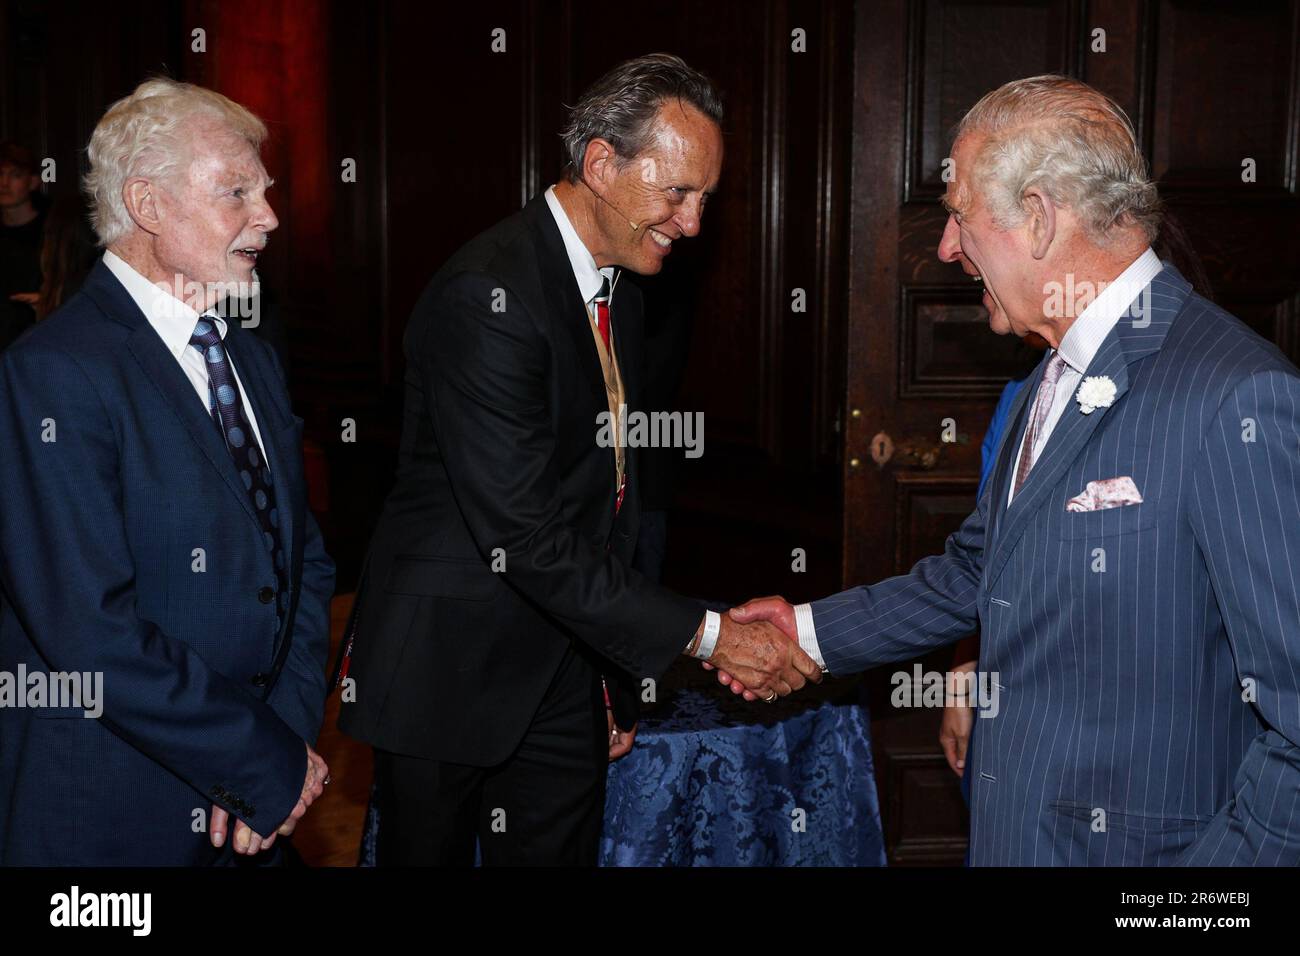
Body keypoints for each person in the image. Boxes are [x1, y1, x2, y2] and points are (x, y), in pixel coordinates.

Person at [722, 74, 1300, 865]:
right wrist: (810, 633)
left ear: (1037, 217)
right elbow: (977, 570)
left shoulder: (1236, 393)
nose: (947, 247)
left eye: (959, 214)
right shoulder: (1048, 376)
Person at [337, 53, 820, 866]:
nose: (694, 223)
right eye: (677, 193)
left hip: (562, 662)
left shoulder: (617, 282)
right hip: (448, 669)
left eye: (705, 198)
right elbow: (523, 533)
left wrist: (610, 672)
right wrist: (707, 637)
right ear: (601, 164)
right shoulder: (488, 296)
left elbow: (608, 501)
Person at [0, 78, 334, 865]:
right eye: (237, 192)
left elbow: (304, 565)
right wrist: (254, 757)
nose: (270, 217)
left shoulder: (249, 352)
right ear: (147, 205)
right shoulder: (52, 374)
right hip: (118, 811)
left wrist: (281, 742)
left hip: (258, 806)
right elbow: (88, 631)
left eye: (266, 191)